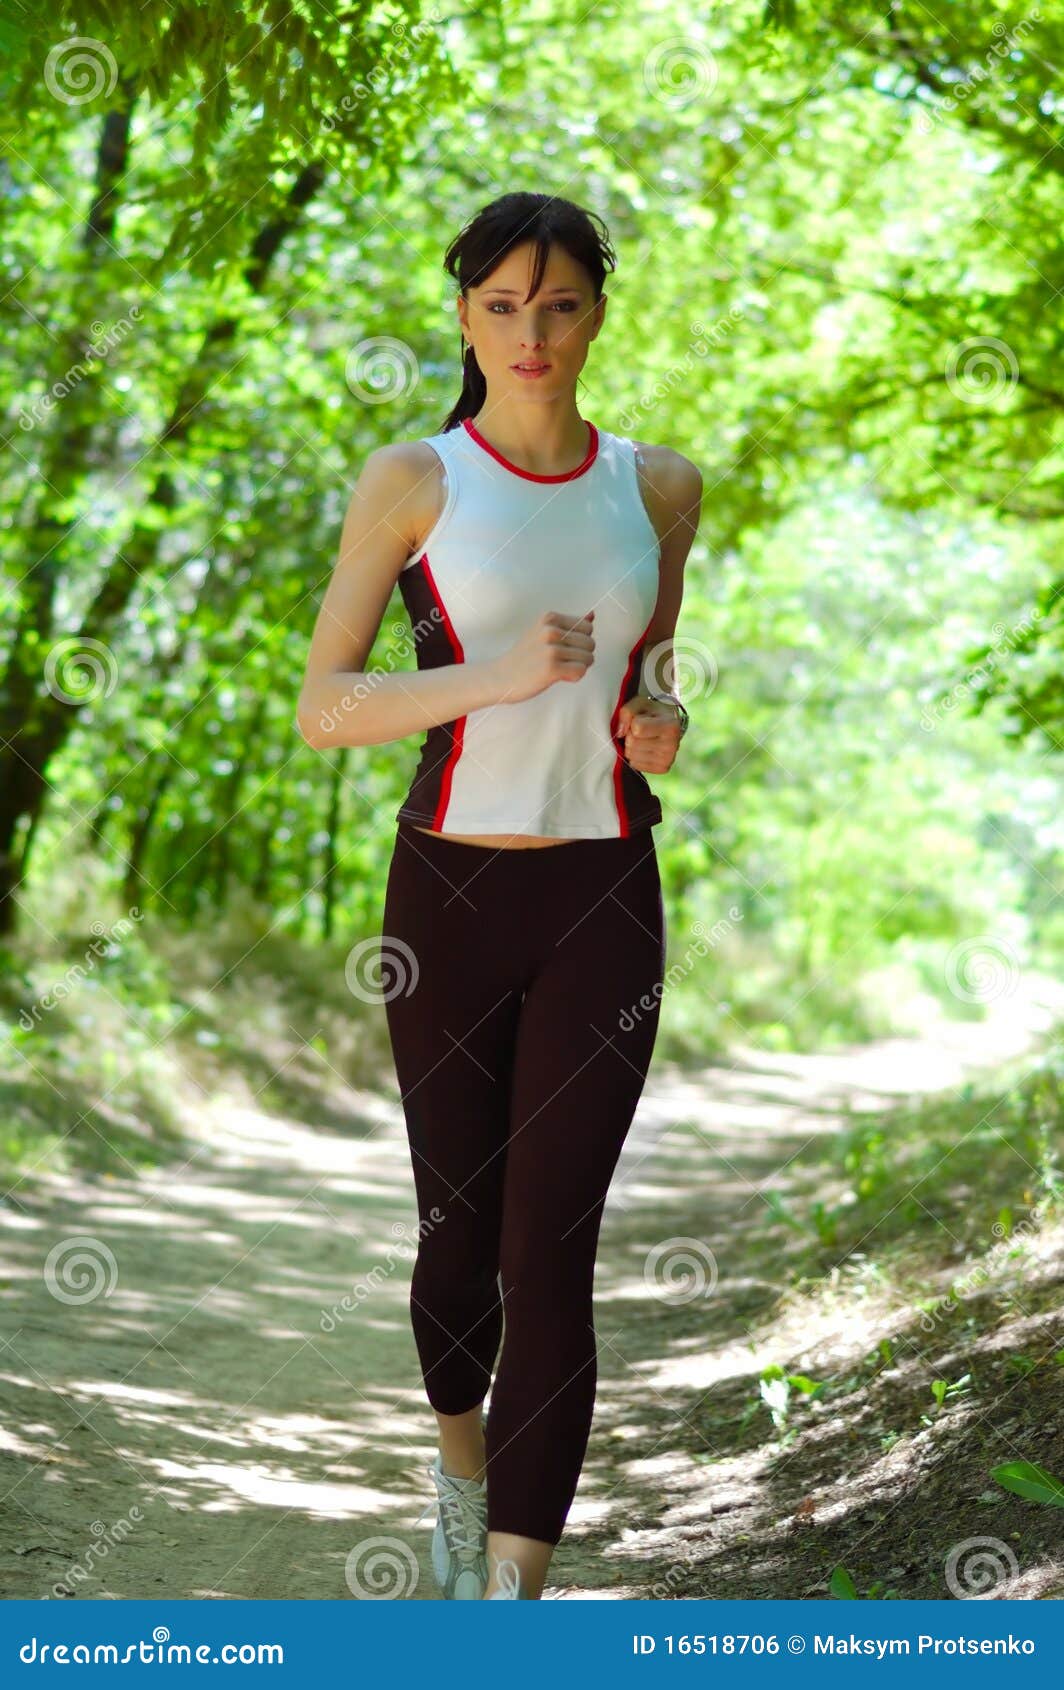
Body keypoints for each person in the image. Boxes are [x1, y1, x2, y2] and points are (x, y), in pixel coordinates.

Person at [297, 190, 703, 1599]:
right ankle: (460, 1472)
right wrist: (495, 675)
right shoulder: (415, 481)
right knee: (459, 1239)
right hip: (448, 905)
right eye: (501, 308)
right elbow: (325, 705)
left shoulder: (660, 487)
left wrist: (660, 719)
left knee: (553, 1246)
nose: (532, 336)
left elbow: (654, 670)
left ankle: (510, 1611)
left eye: (563, 305)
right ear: (465, 313)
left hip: (605, 898)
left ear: (601, 309)